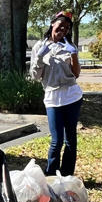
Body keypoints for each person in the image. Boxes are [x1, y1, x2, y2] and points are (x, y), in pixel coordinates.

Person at [30, 10, 83, 176]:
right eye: (60, 26)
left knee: (70, 140)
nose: (63, 31)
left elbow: (76, 74)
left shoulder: (70, 47)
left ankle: (67, 175)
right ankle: (51, 174)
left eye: (66, 28)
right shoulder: (40, 46)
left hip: (71, 96)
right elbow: (35, 76)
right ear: (52, 24)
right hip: (52, 97)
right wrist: (39, 58)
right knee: (56, 140)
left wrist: (73, 53)